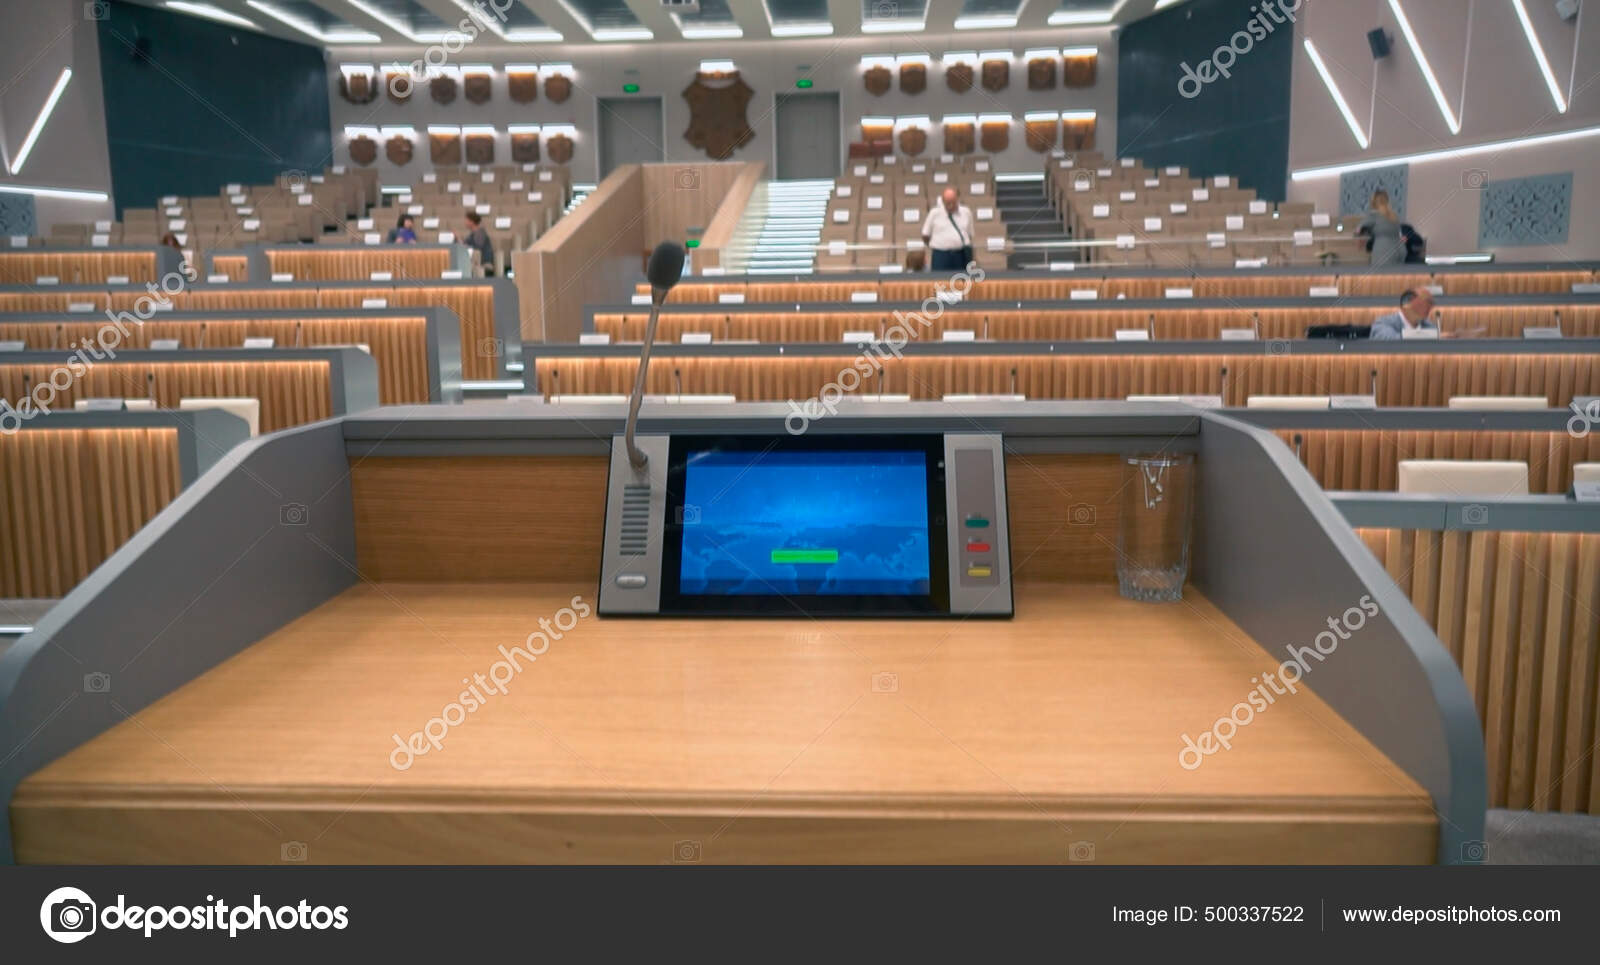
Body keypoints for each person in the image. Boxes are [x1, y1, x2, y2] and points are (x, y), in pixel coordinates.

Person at [920, 188, 975, 272]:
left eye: (953, 202)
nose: (951, 206)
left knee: (961, 283)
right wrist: (935, 244)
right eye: (948, 203)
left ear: (957, 199)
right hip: (940, 255)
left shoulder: (966, 212)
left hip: (960, 255)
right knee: (939, 282)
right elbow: (925, 235)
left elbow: (970, 235)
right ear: (943, 201)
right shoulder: (934, 213)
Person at [1357, 189, 1405, 267]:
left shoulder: (1374, 215)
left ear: (1373, 202)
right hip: (1399, 250)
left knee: (1381, 277)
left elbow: (1359, 229)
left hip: (1383, 250)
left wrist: (1361, 240)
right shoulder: (1394, 216)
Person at [1369, 288, 1438, 339]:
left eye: (1431, 303)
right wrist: (1430, 335)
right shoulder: (1383, 323)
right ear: (1408, 303)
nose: (1430, 307)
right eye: (1427, 301)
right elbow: (1389, 339)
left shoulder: (1429, 326)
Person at [462, 210, 495, 276]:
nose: (465, 222)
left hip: (483, 263)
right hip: (475, 262)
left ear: (472, 221)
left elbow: (477, 249)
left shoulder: (480, 233)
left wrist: (466, 246)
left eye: (467, 220)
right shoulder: (472, 234)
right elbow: (465, 245)